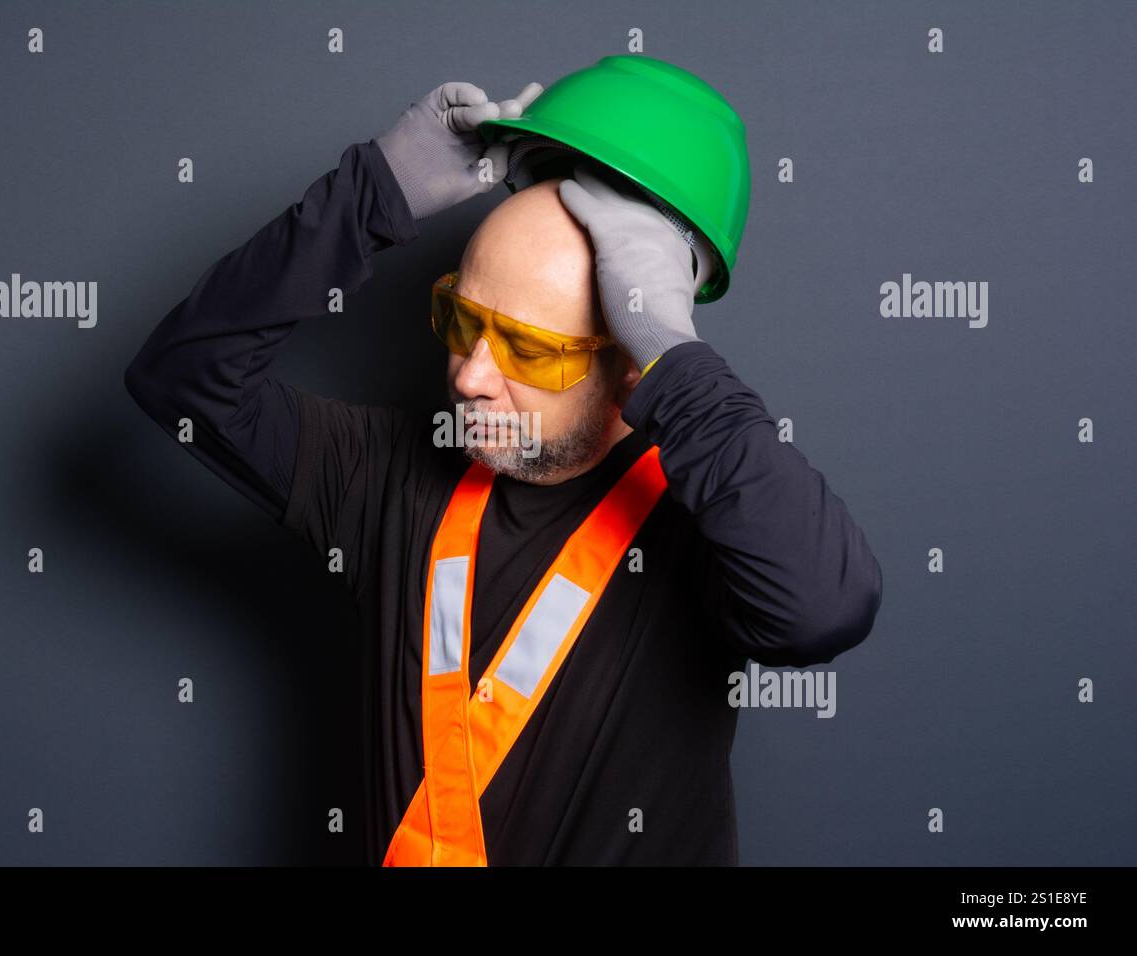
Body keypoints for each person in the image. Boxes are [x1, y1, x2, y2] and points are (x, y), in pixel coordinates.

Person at [124, 80, 884, 865]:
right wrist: (371, 191)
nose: (471, 377)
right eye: (462, 321)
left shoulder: (705, 529)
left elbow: (825, 605)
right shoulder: (387, 475)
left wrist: (676, 353)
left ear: (633, 366)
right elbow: (183, 378)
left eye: (527, 348)